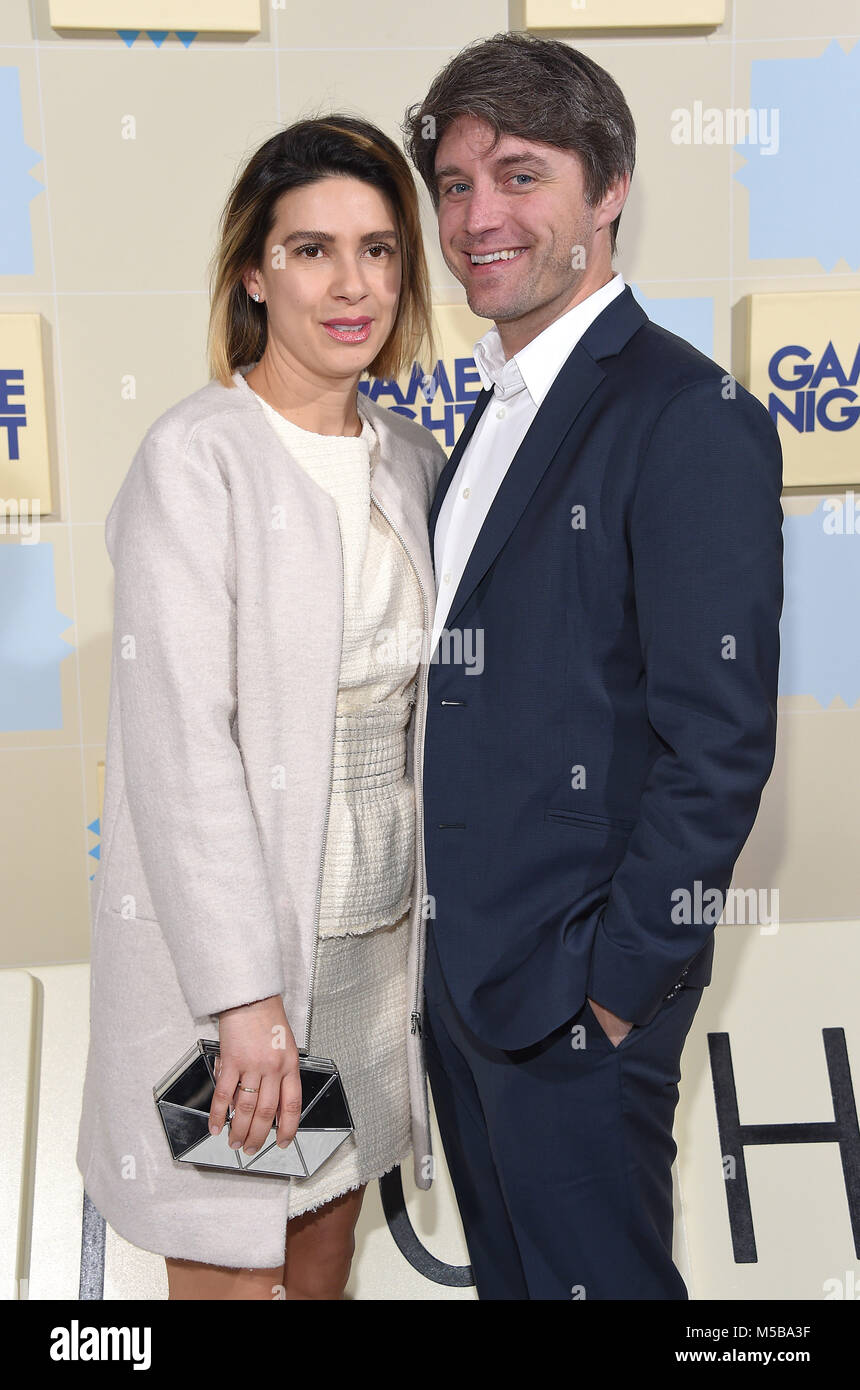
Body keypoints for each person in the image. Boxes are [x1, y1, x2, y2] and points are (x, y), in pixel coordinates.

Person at [402, 32, 784, 1300]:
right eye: (454, 185)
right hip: (467, 992)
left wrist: (610, 995)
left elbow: (716, 744)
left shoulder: (685, 415)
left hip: (572, 1008)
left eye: (519, 174)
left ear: (606, 188)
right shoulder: (495, 408)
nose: (476, 217)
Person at [75, 114, 447, 1300]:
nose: (353, 286)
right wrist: (243, 1005)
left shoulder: (410, 454)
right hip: (248, 952)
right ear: (253, 271)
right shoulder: (197, 458)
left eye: (380, 250)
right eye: (311, 251)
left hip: (375, 935)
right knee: (236, 1262)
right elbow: (183, 748)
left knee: (325, 1234)